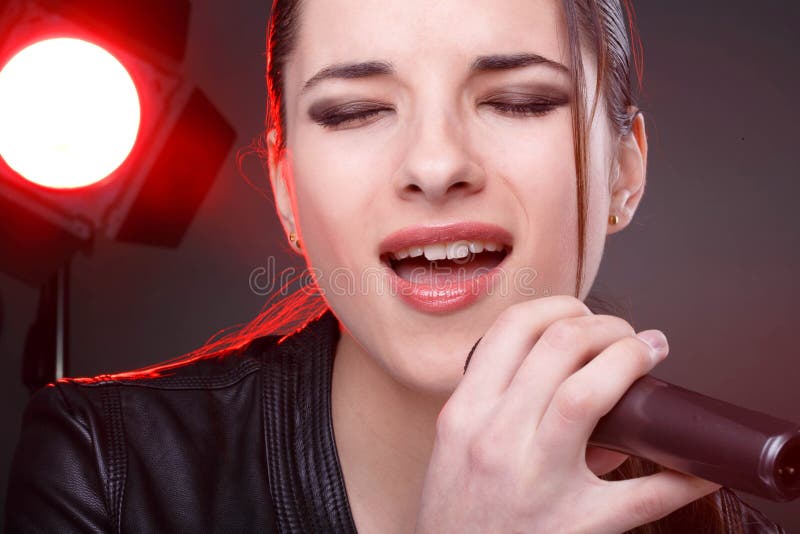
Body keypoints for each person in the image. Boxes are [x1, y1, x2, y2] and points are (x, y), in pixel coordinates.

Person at [4, 0, 788, 532]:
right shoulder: (105, 473)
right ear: (286, 191)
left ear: (624, 171)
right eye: (357, 111)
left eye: (518, 100)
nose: (436, 164)